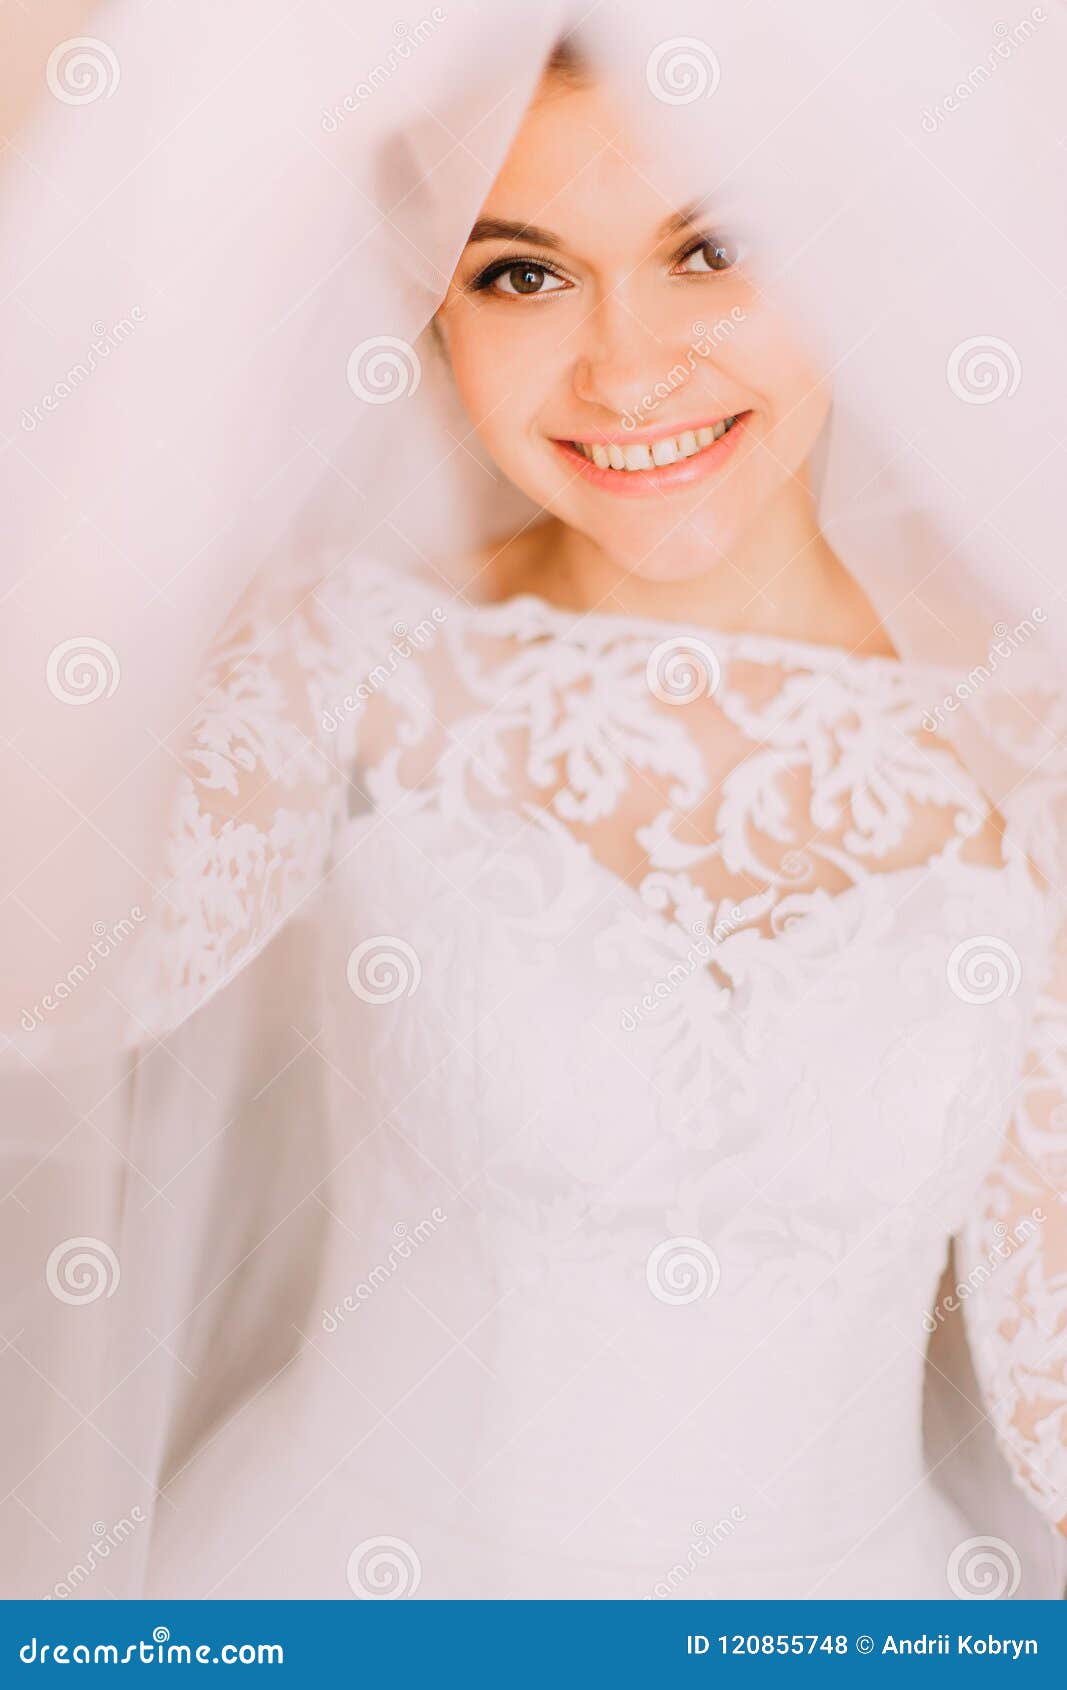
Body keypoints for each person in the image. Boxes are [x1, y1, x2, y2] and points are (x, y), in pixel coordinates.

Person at [3, 15, 1065, 1602]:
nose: (628, 368)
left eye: (713, 249)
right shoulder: (349, 656)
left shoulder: (1035, 747)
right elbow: (51, 991)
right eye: (522, 272)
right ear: (431, 305)